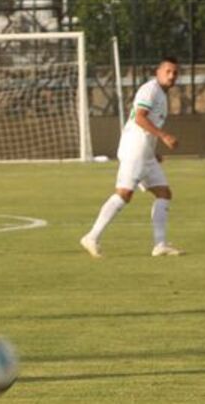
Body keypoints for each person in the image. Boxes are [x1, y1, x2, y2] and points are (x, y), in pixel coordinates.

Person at [81, 56, 183, 258]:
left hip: (145, 153)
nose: (172, 76)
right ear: (158, 72)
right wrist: (163, 136)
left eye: (175, 73)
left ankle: (160, 245)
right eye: (168, 72)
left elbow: (147, 124)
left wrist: (153, 152)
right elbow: (139, 117)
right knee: (124, 194)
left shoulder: (162, 95)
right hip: (134, 149)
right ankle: (91, 237)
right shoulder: (150, 89)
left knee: (164, 193)